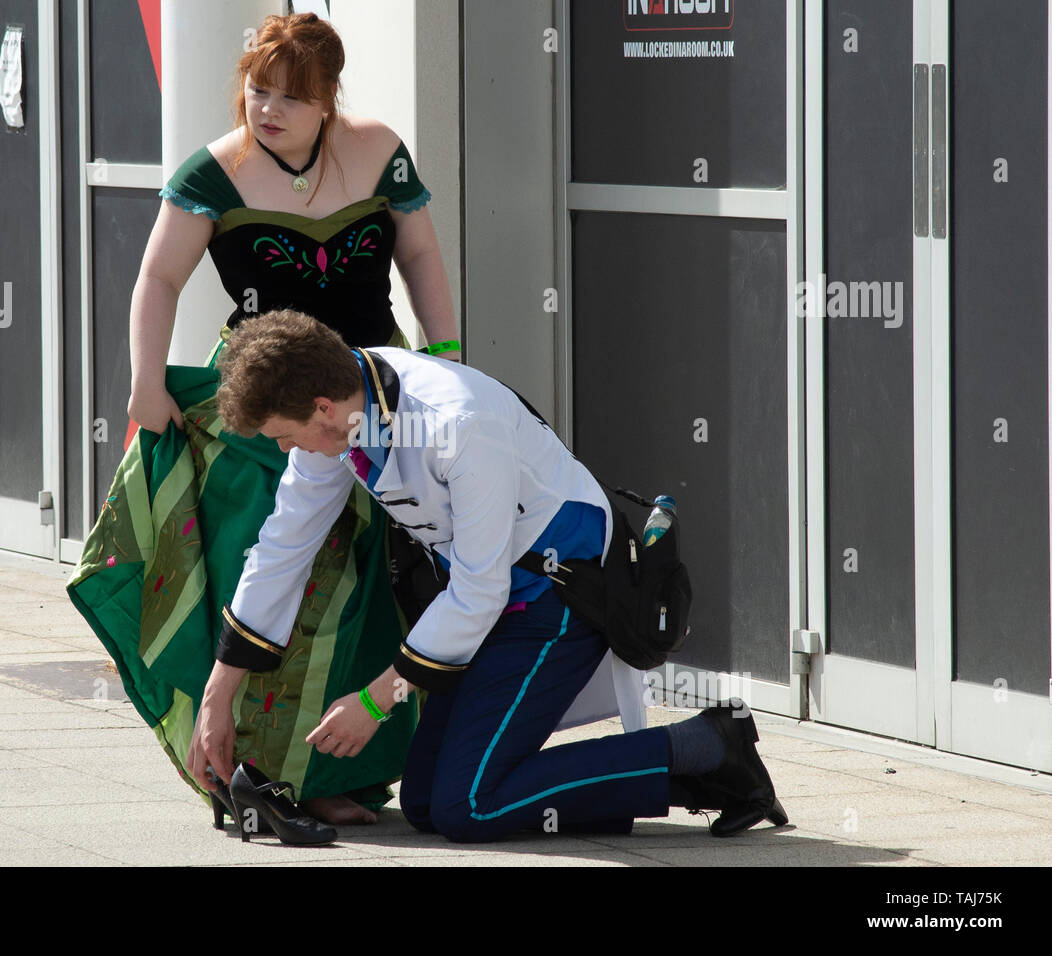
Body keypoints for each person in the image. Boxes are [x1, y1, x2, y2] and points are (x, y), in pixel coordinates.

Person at [66, 12, 460, 827]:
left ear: (327, 101)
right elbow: (157, 279)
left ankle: (332, 771)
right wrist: (145, 380)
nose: (268, 108)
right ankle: (247, 766)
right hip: (257, 406)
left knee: (357, 582)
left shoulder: (379, 149)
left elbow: (420, 255)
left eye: (290, 96)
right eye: (257, 90)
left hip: (367, 396)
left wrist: (447, 356)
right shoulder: (214, 169)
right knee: (261, 566)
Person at [196, 309, 789, 842]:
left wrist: (376, 704)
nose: (286, 450)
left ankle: (710, 748)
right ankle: (690, 772)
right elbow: (283, 546)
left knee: (469, 806)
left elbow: (481, 590)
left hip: (559, 594)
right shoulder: (346, 410)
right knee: (428, 804)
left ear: (322, 409)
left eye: (282, 436)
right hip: (492, 599)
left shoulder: (456, 421)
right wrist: (218, 696)